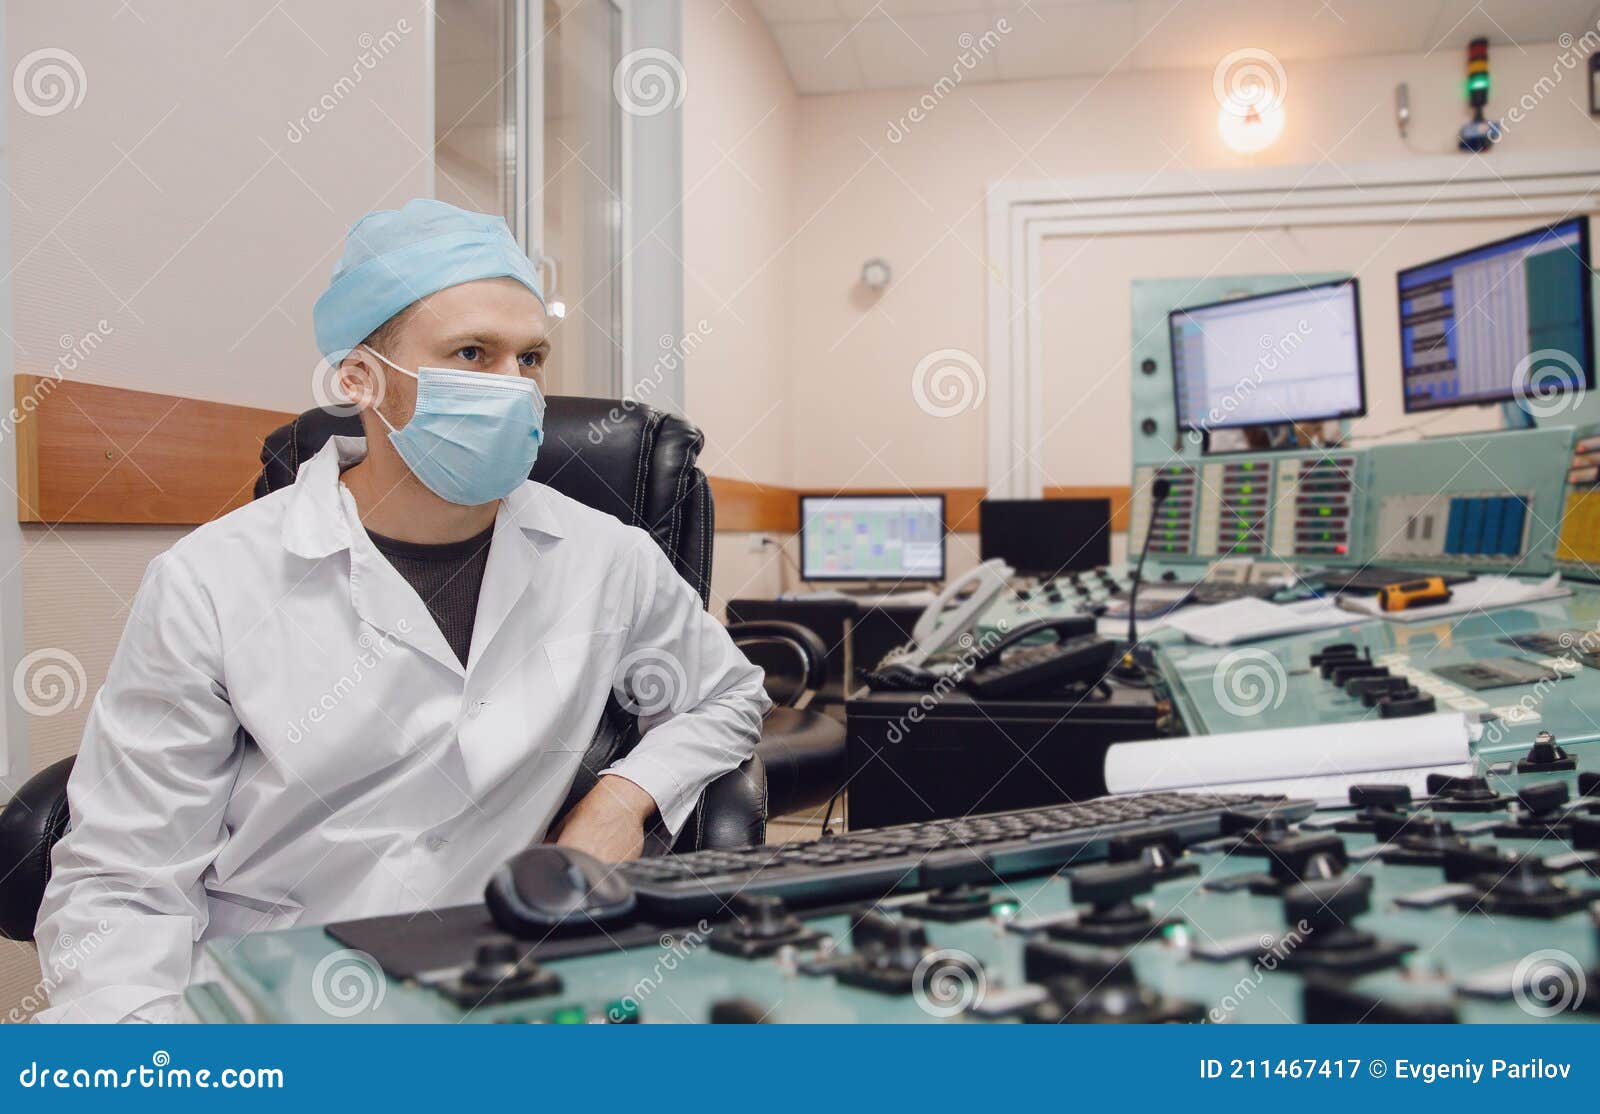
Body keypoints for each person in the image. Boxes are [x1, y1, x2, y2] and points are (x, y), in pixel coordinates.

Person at [33, 199, 769, 1023]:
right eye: (471, 353)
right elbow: (126, 882)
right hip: (267, 1004)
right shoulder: (212, 580)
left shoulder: (604, 555)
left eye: (530, 357)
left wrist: (623, 797)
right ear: (360, 378)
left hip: (499, 990)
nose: (514, 388)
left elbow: (726, 695)